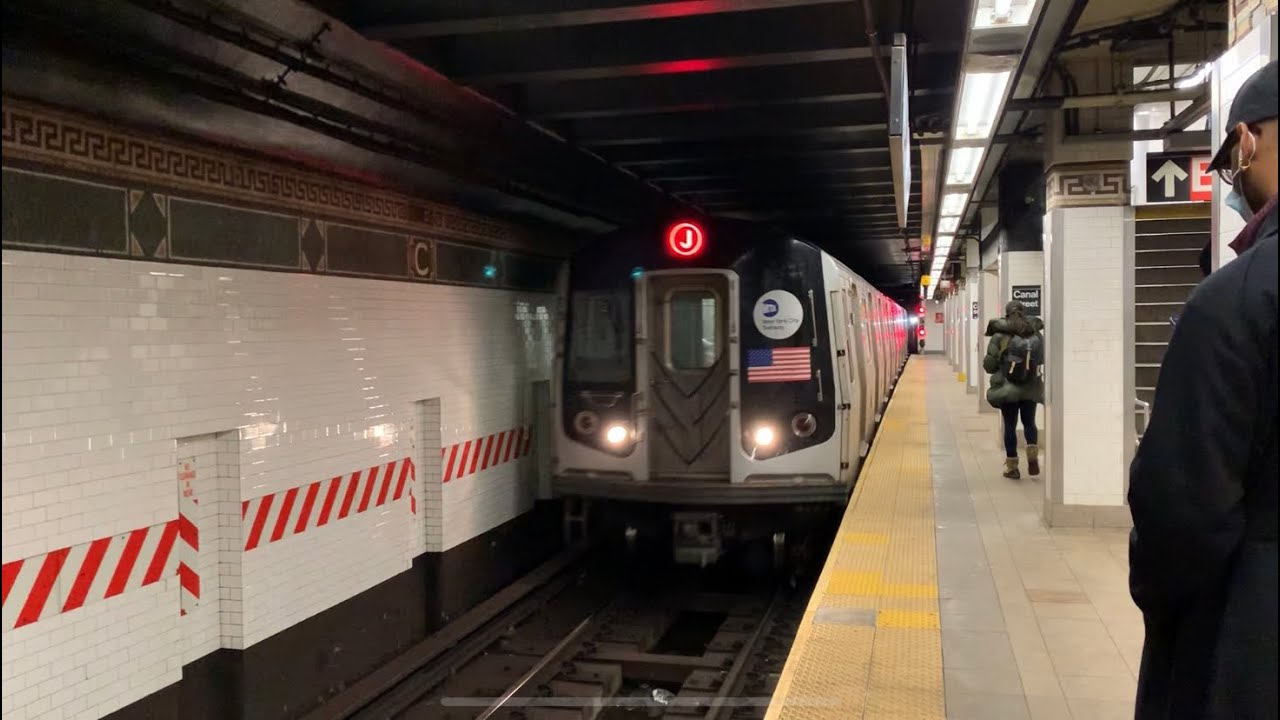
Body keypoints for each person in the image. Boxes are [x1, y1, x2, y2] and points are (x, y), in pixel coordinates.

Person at [1128, 59, 1277, 720]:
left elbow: (1180, 514)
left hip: (1252, 644)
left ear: (1248, 141)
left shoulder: (1237, 300)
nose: (1232, 181)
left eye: (1228, 162)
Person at [982, 299, 1044, 479]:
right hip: (1031, 388)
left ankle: (1012, 467)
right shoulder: (1035, 335)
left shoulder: (999, 336)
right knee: (1029, 422)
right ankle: (1032, 454)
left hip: (1008, 389)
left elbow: (989, 366)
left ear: (1006, 315)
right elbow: (1041, 359)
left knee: (1009, 426)